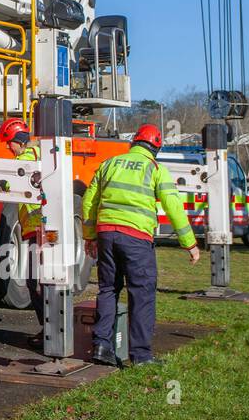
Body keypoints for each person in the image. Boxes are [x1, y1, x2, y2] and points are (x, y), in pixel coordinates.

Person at [82, 123, 200, 367]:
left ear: (134, 142)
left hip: (106, 234)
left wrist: (89, 236)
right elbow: (173, 206)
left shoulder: (109, 164)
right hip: (136, 238)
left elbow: (88, 202)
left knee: (108, 289)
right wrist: (189, 243)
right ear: (155, 147)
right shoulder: (155, 168)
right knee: (141, 293)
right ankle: (141, 356)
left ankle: (101, 345)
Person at [0, 117, 45, 348]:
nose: (8, 147)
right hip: (36, 230)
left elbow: (13, 181)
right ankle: (49, 330)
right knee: (38, 280)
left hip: (40, 230)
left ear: (18, 140)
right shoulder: (36, 155)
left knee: (37, 281)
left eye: (9, 143)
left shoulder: (26, 158)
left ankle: (50, 331)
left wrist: (1, 183)